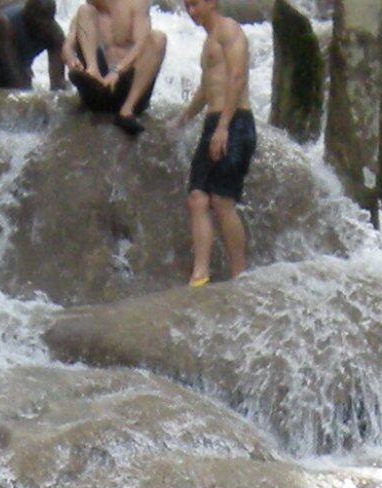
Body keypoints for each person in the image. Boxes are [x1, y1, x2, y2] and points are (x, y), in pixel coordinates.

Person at [173, 0, 254, 288]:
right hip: (214, 123)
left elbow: (237, 76)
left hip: (235, 122)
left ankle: (239, 274)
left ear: (212, 2)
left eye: (196, 4)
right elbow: (208, 86)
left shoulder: (229, 30)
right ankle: (200, 274)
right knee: (197, 199)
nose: (192, 11)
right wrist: (185, 117)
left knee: (221, 200)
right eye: (188, 6)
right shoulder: (209, 40)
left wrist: (223, 126)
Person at [60, 0, 163, 135]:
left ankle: (126, 111)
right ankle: (92, 72)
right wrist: (71, 59)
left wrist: (117, 71)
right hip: (98, 88)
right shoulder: (88, 10)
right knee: (85, 10)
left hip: (127, 85)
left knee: (158, 38)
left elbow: (142, 44)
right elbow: (67, 47)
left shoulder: (136, 4)